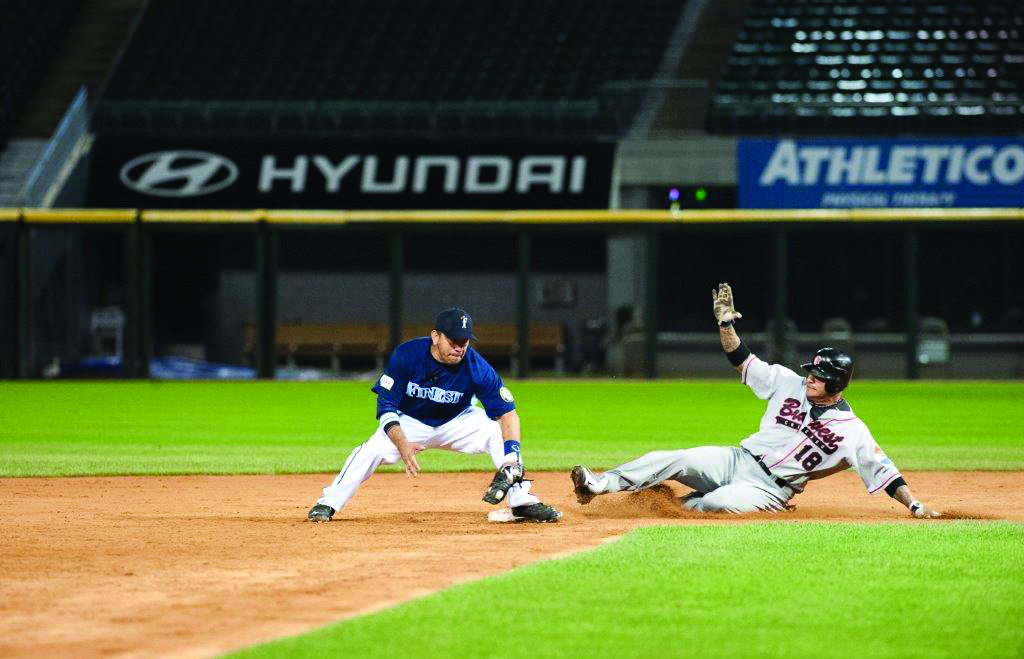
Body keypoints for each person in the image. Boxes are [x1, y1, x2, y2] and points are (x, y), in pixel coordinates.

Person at [570, 283, 942, 518]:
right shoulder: (785, 381)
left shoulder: (852, 431)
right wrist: (726, 325)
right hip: (738, 458)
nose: (810, 378)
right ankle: (600, 484)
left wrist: (913, 504)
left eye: (820, 377)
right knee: (679, 458)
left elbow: (885, 473)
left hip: (769, 489)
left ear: (837, 384)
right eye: (811, 372)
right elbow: (741, 359)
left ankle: (671, 506)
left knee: (716, 505)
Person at [308, 307, 561, 523]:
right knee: (370, 450)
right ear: (435, 336)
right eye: (453, 341)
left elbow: (508, 414)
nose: (459, 347)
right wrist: (402, 443)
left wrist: (512, 459)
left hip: (457, 421)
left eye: (464, 342)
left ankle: (521, 502)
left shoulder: (477, 367)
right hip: (409, 421)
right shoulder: (408, 355)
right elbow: (385, 406)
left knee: (496, 433)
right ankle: (328, 503)